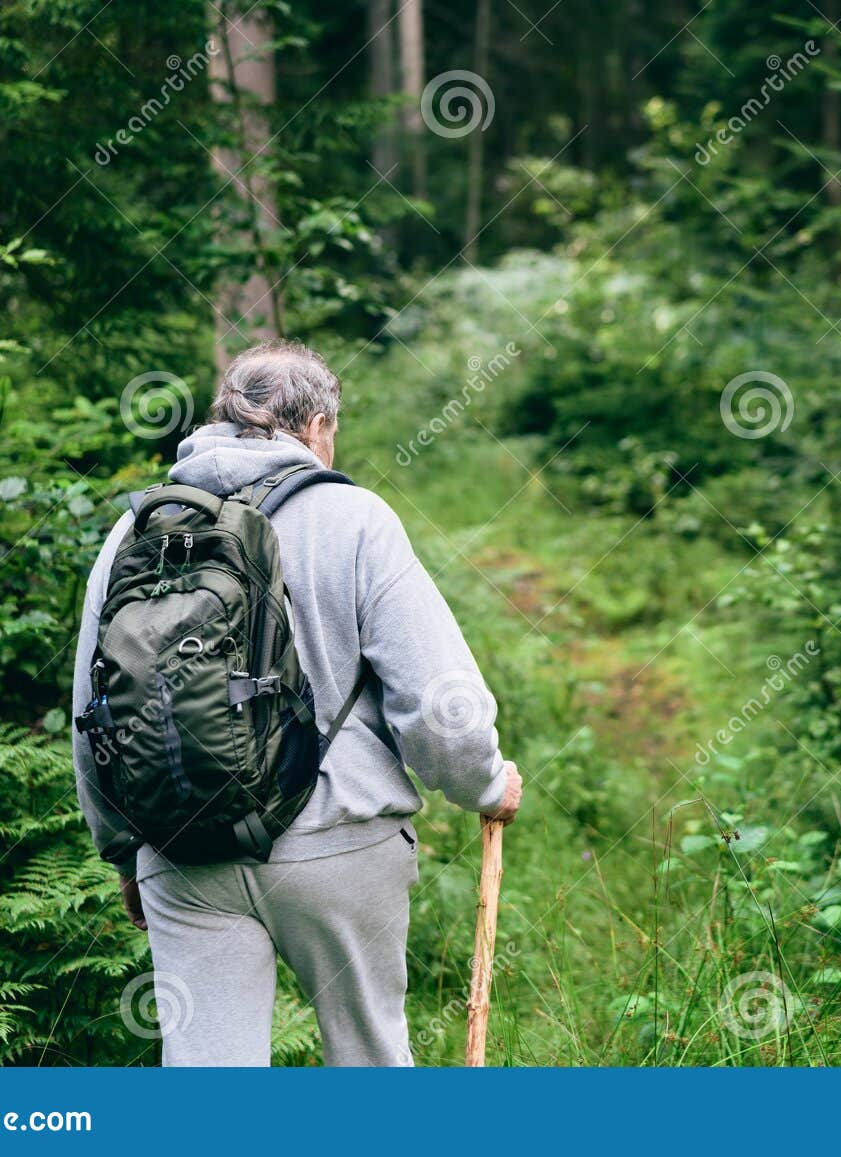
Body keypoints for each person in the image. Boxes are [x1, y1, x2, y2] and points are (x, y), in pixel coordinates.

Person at [70, 339, 522, 1066]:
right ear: (314, 428)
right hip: (340, 844)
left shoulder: (136, 529)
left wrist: (126, 851)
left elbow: (92, 715)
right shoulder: (356, 518)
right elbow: (440, 703)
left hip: (184, 849)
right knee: (368, 1067)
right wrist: (487, 783)